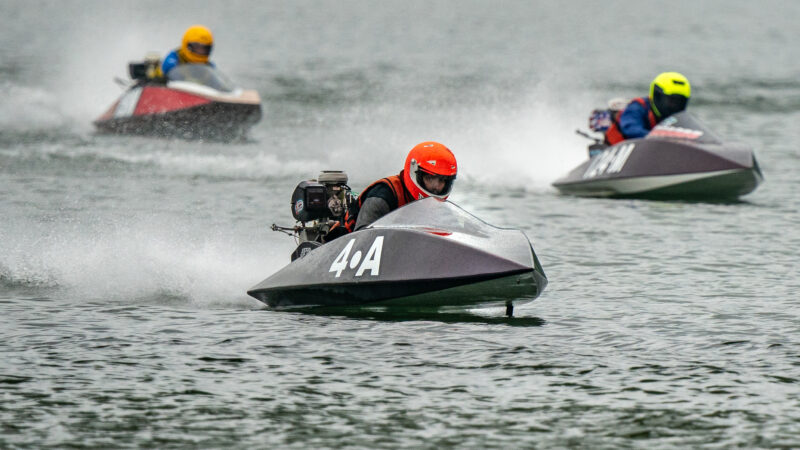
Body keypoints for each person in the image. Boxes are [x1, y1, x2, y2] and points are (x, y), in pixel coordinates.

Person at [341, 141, 458, 232]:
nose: (436, 187)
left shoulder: (442, 211)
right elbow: (363, 242)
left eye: (442, 181)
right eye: (430, 179)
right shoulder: (383, 196)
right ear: (414, 172)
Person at [604, 72, 691, 145]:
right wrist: (660, 137)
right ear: (658, 96)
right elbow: (630, 129)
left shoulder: (679, 118)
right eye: (671, 101)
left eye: (679, 102)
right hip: (617, 148)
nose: (674, 106)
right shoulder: (637, 108)